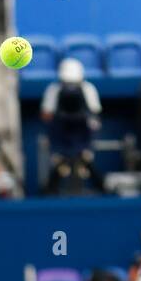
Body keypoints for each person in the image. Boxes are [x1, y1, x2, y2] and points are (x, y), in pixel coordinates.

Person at [40, 57, 102, 194]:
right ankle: (48, 195)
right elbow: (46, 116)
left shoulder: (88, 89)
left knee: (86, 162)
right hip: (61, 137)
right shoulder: (53, 90)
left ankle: (103, 191)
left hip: (82, 137)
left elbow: (95, 116)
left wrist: (89, 128)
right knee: (58, 166)